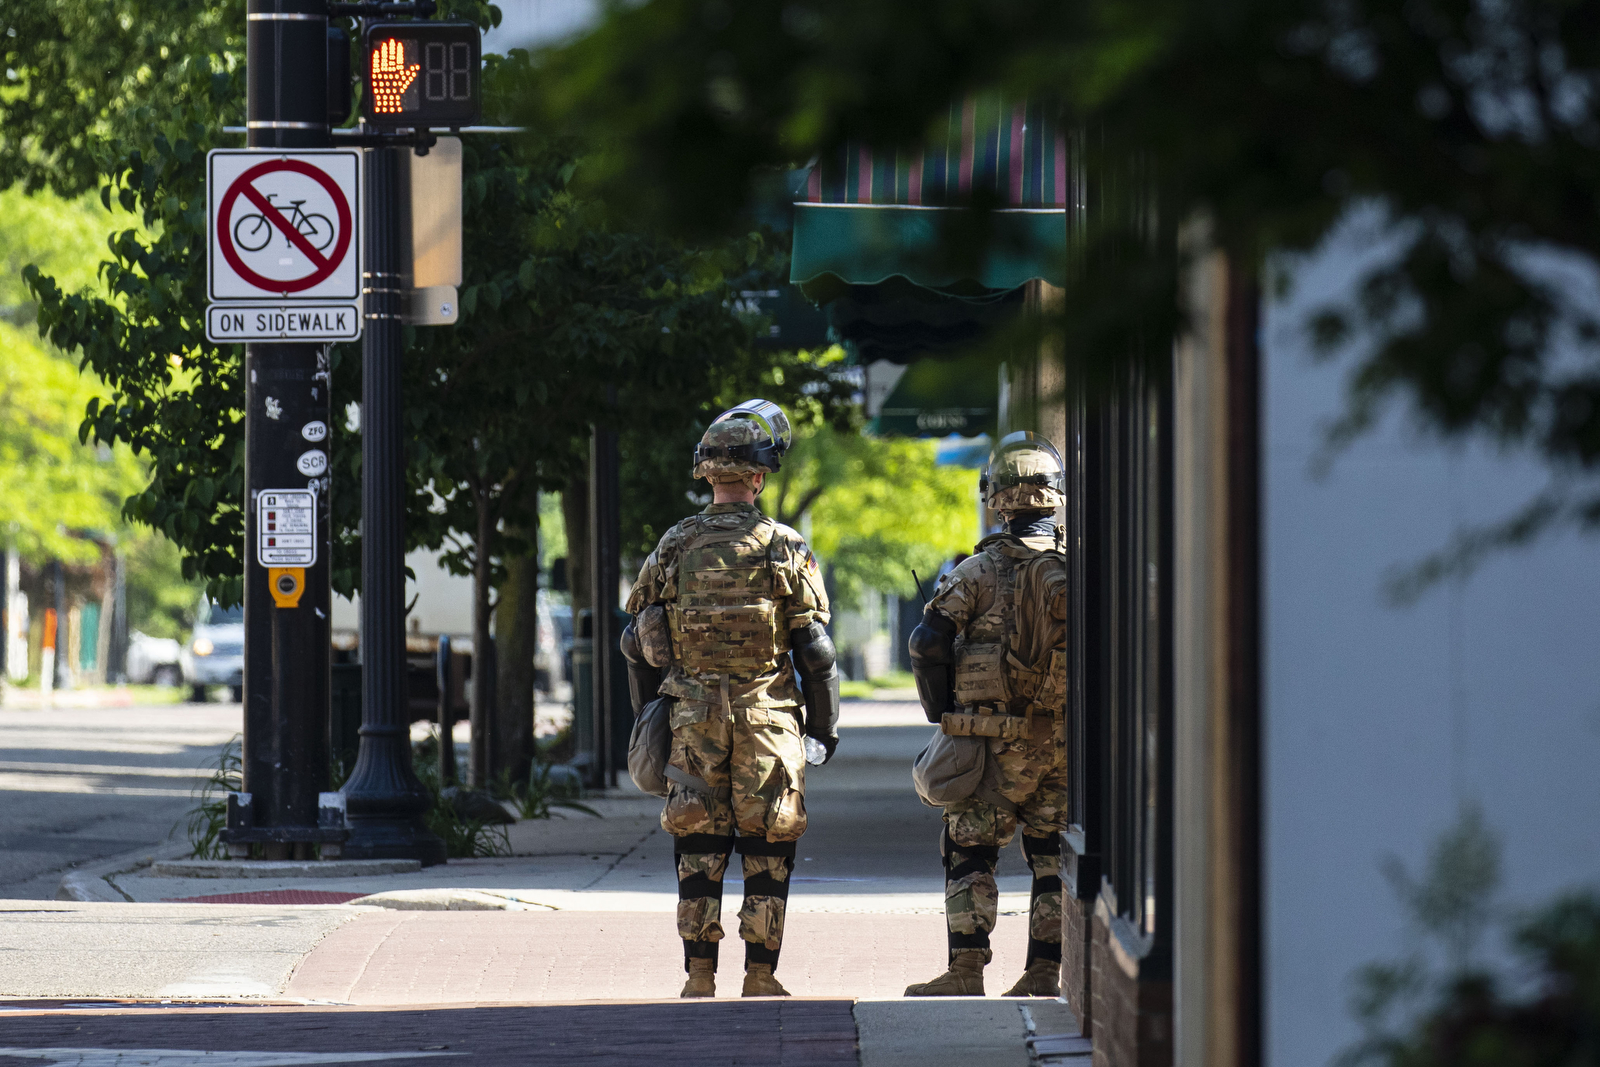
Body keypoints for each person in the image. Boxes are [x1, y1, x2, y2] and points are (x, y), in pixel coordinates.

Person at [620, 400, 840, 999]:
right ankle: (761, 974)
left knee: (697, 841)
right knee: (769, 842)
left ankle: (698, 975)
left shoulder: (674, 544)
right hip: (768, 717)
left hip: (692, 718)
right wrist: (824, 731)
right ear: (759, 476)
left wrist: (651, 713)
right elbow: (815, 651)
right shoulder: (784, 546)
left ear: (709, 475)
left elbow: (635, 639)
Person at [904, 431, 1071, 998]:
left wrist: (944, 712)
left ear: (997, 499)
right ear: (1054, 496)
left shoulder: (977, 572)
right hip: (1066, 742)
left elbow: (927, 643)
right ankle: (1045, 972)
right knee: (1052, 855)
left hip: (990, 743)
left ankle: (966, 970)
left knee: (970, 851)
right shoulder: (1084, 569)